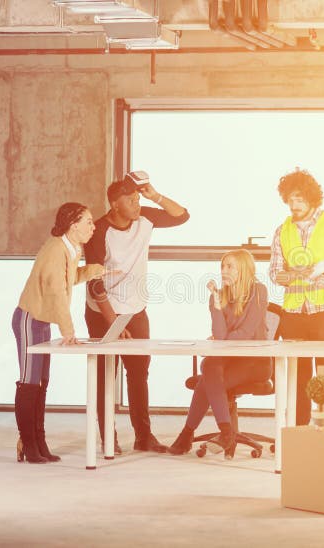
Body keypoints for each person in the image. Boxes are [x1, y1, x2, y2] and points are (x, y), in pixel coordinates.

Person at [84, 173, 189, 454]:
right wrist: (113, 322)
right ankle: (108, 437)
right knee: (106, 376)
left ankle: (144, 437)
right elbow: (95, 285)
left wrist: (155, 195)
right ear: (114, 205)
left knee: (139, 374)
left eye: (138, 198)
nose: (136, 203)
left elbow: (181, 217)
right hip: (103, 312)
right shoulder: (98, 232)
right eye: (130, 200)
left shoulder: (145, 218)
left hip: (135, 310)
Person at [12, 202, 104, 464]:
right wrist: (69, 331)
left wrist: (99, 270)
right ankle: (28, 445)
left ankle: (39, 442)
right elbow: (56, 292)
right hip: (30, 320)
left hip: (42, 321)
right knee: (29, 382)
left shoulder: (71, 247)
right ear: (73, 225)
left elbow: (69, 279)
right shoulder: (55, 250)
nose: (93, 226)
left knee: (42, 383)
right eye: (88, 221)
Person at [269, 169, 324, 426]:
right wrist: (293, 274)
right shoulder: (281, 231)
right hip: (294, 313)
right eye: (290, 200)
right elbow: (275, 273)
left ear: (312, 198)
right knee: (298, 377)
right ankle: (298, 431)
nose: (294, 206)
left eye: (299, 199)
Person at [168, 249, 270, 459]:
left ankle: (188, 434)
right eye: (222, 266)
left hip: (255, 362)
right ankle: (226, 433)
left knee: (207, 378)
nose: (223, 270)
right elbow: (220, 334)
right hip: (230, 360)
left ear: (243, 269)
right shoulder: (220, 296)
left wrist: (222, 341)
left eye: (229, 266)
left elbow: (246, 333)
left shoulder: (259, 291)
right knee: (209, 367)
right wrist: (215, 304)